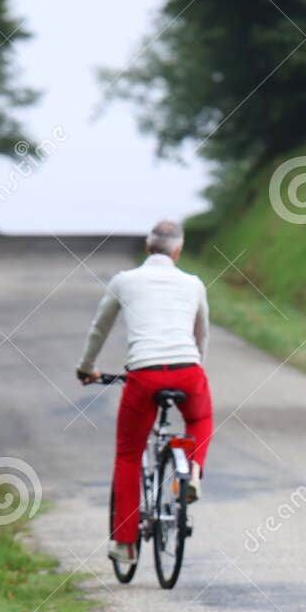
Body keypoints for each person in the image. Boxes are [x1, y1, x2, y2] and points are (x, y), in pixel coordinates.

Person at [76, 220, 211, 568]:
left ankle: (125, 544)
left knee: (128, 454)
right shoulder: (193, 284)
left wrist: (87, 367)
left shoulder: (124, 281)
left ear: (147, 248)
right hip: (188, 370)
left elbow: (99, 328)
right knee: (200, 417)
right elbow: (202, 334)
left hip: (144, 375)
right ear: (177, 251)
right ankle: (193, 473)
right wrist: (196, 370)